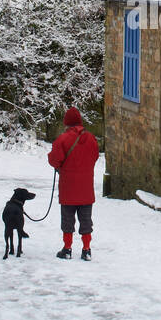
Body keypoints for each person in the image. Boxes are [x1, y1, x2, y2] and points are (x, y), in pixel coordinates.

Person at [48, 107, 100, 260]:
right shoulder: (91, 138)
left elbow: (54, 160)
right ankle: (86, 249)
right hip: (86, 188)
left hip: (68, 187)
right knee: (86, 220)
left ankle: (67, 248)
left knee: (67, 219)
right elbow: (95, 156)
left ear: (67, 123)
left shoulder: (62, 140)